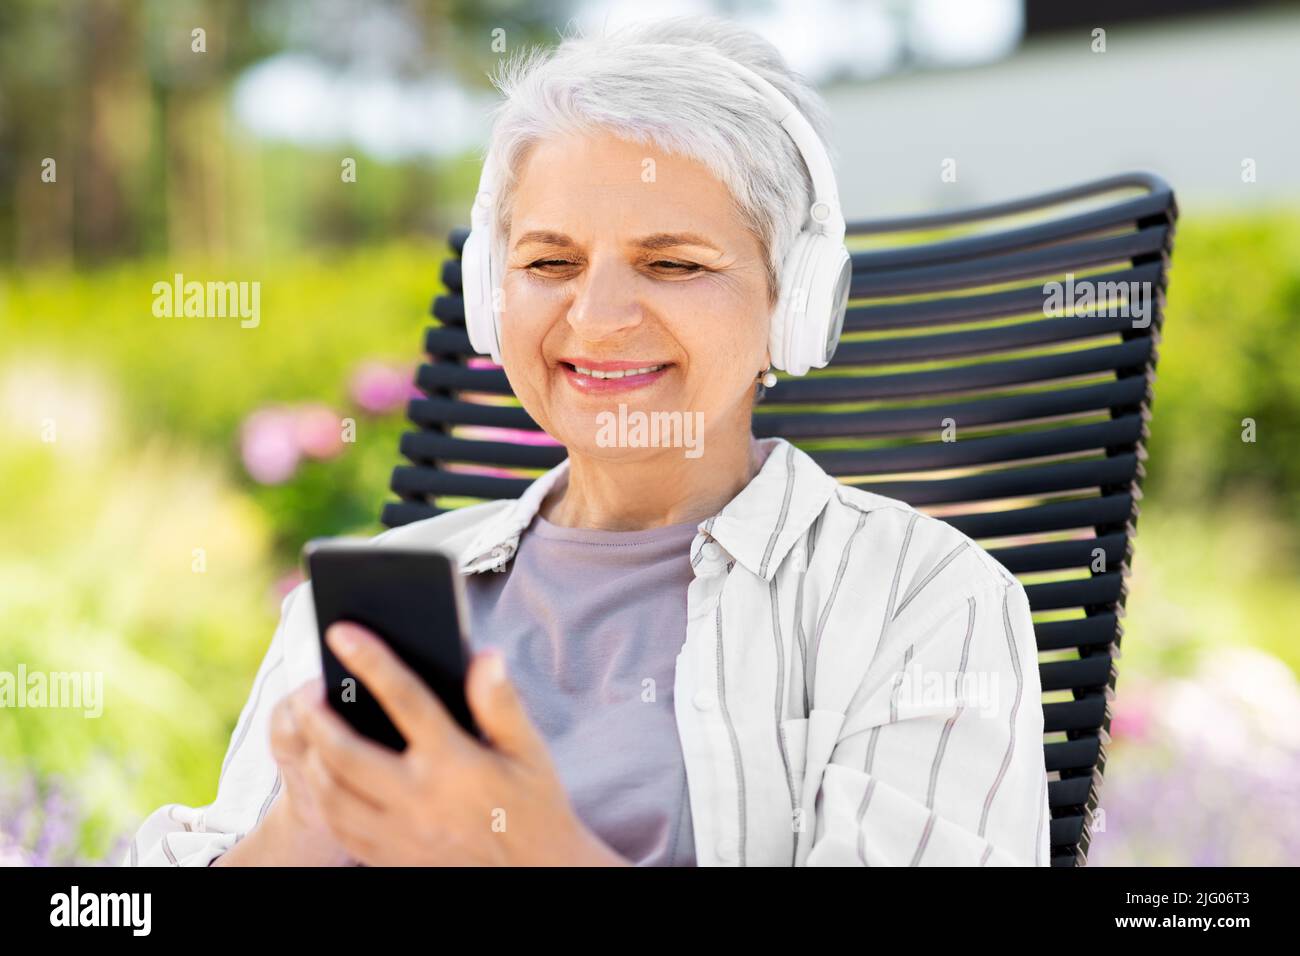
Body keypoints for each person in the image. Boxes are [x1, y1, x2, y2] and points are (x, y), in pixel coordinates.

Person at [125, 14, 1050, 867]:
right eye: (549, 263)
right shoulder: (372, 596)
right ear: (493, 296)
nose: (598, 317)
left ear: (795, 304)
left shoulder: (923, 604)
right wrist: (310, 827)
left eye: (673, 263)